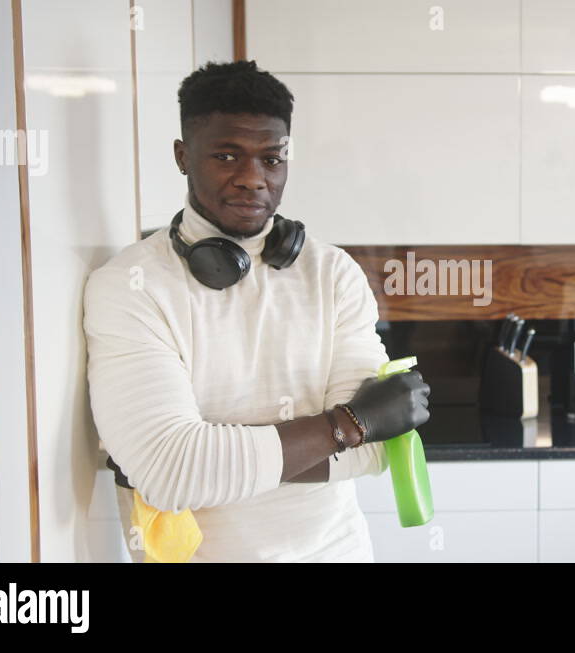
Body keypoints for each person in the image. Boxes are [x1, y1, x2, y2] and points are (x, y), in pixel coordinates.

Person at [83, 60, 431, 562]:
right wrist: (347, 425)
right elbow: (168, 471)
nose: (252, 179)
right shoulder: (130, 286)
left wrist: (208, 455)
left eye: (272, 159)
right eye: (227, 156)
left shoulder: (333, 274)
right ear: (183, 156)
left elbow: (375, 450)